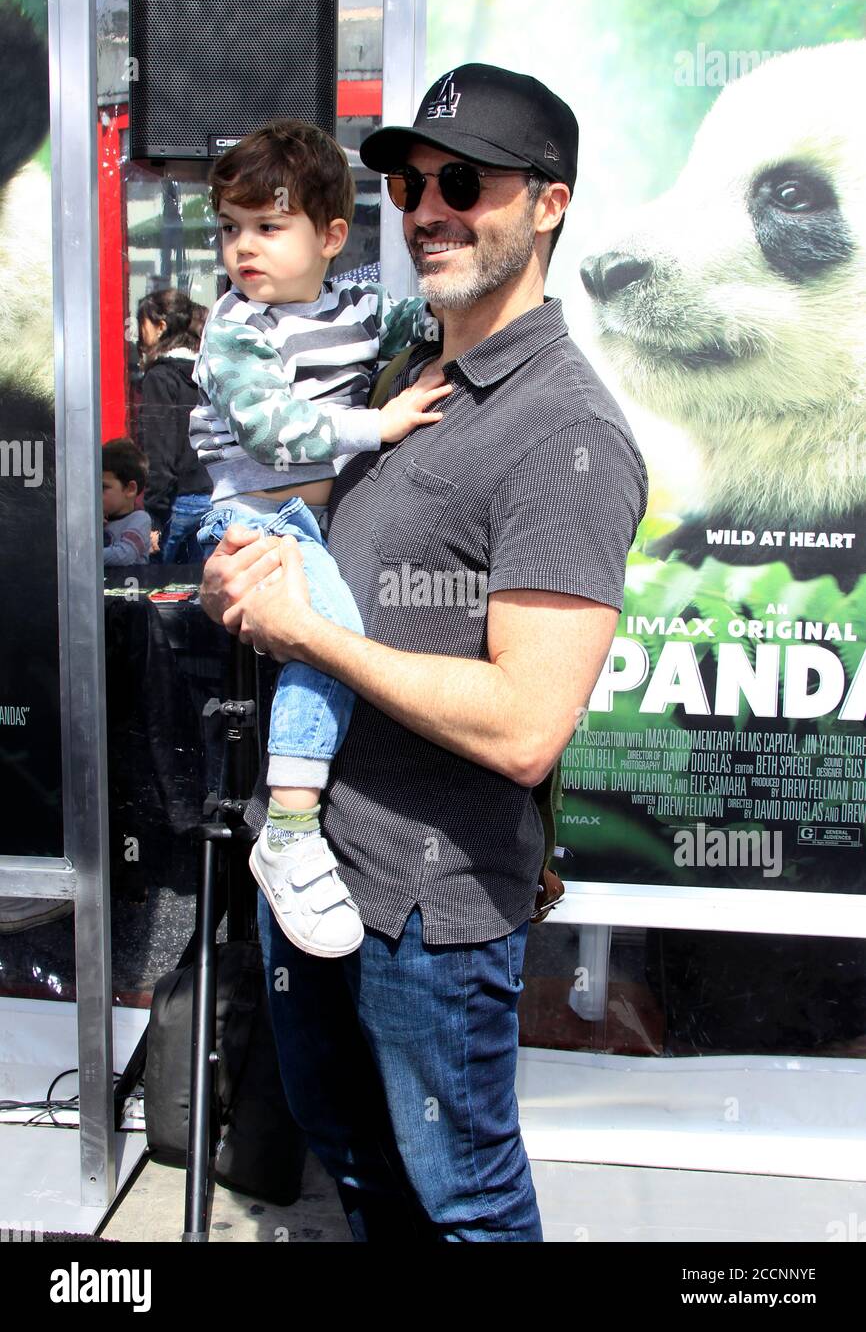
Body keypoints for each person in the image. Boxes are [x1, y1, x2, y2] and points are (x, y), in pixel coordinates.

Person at [199, 64, 649, 1242]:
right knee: (355, 1165)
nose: (426, 208)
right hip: (312, 874)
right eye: (407, 182)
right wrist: (242, 590)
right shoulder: (402, 372)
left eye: (464, 181)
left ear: (547, 204)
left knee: (467, 1205)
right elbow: (308, 538)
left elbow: (524, 724)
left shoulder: (565, 433)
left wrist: (315, 635)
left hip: (428, 913)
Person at [190, 118, 448, 957]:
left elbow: (422, 312)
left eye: (269, 226)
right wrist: (381, 424)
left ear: (332, 236)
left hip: (317, 520)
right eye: (231, 229)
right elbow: (273, 432)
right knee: (329, 634)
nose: (244, 249)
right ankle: (293, 825)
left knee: (340, 639)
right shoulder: (235, 330)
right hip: (253, 518)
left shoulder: (354, 309)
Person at [136, 289, 212, 564]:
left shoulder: (160, 377)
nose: (138, 335)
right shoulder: (208, 371)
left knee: (164, 593)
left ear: (161, 326)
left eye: (141, 325)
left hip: (177, 503)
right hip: (216, 496)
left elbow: (160, 452)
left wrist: (154, 515)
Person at [103, 437, 152, 567]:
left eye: (103, 488)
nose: (95, 495)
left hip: (132, 584)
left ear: (130, 489)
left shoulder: (139, 519)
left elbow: (125, 555)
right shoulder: (100, 520)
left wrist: (85, 556)